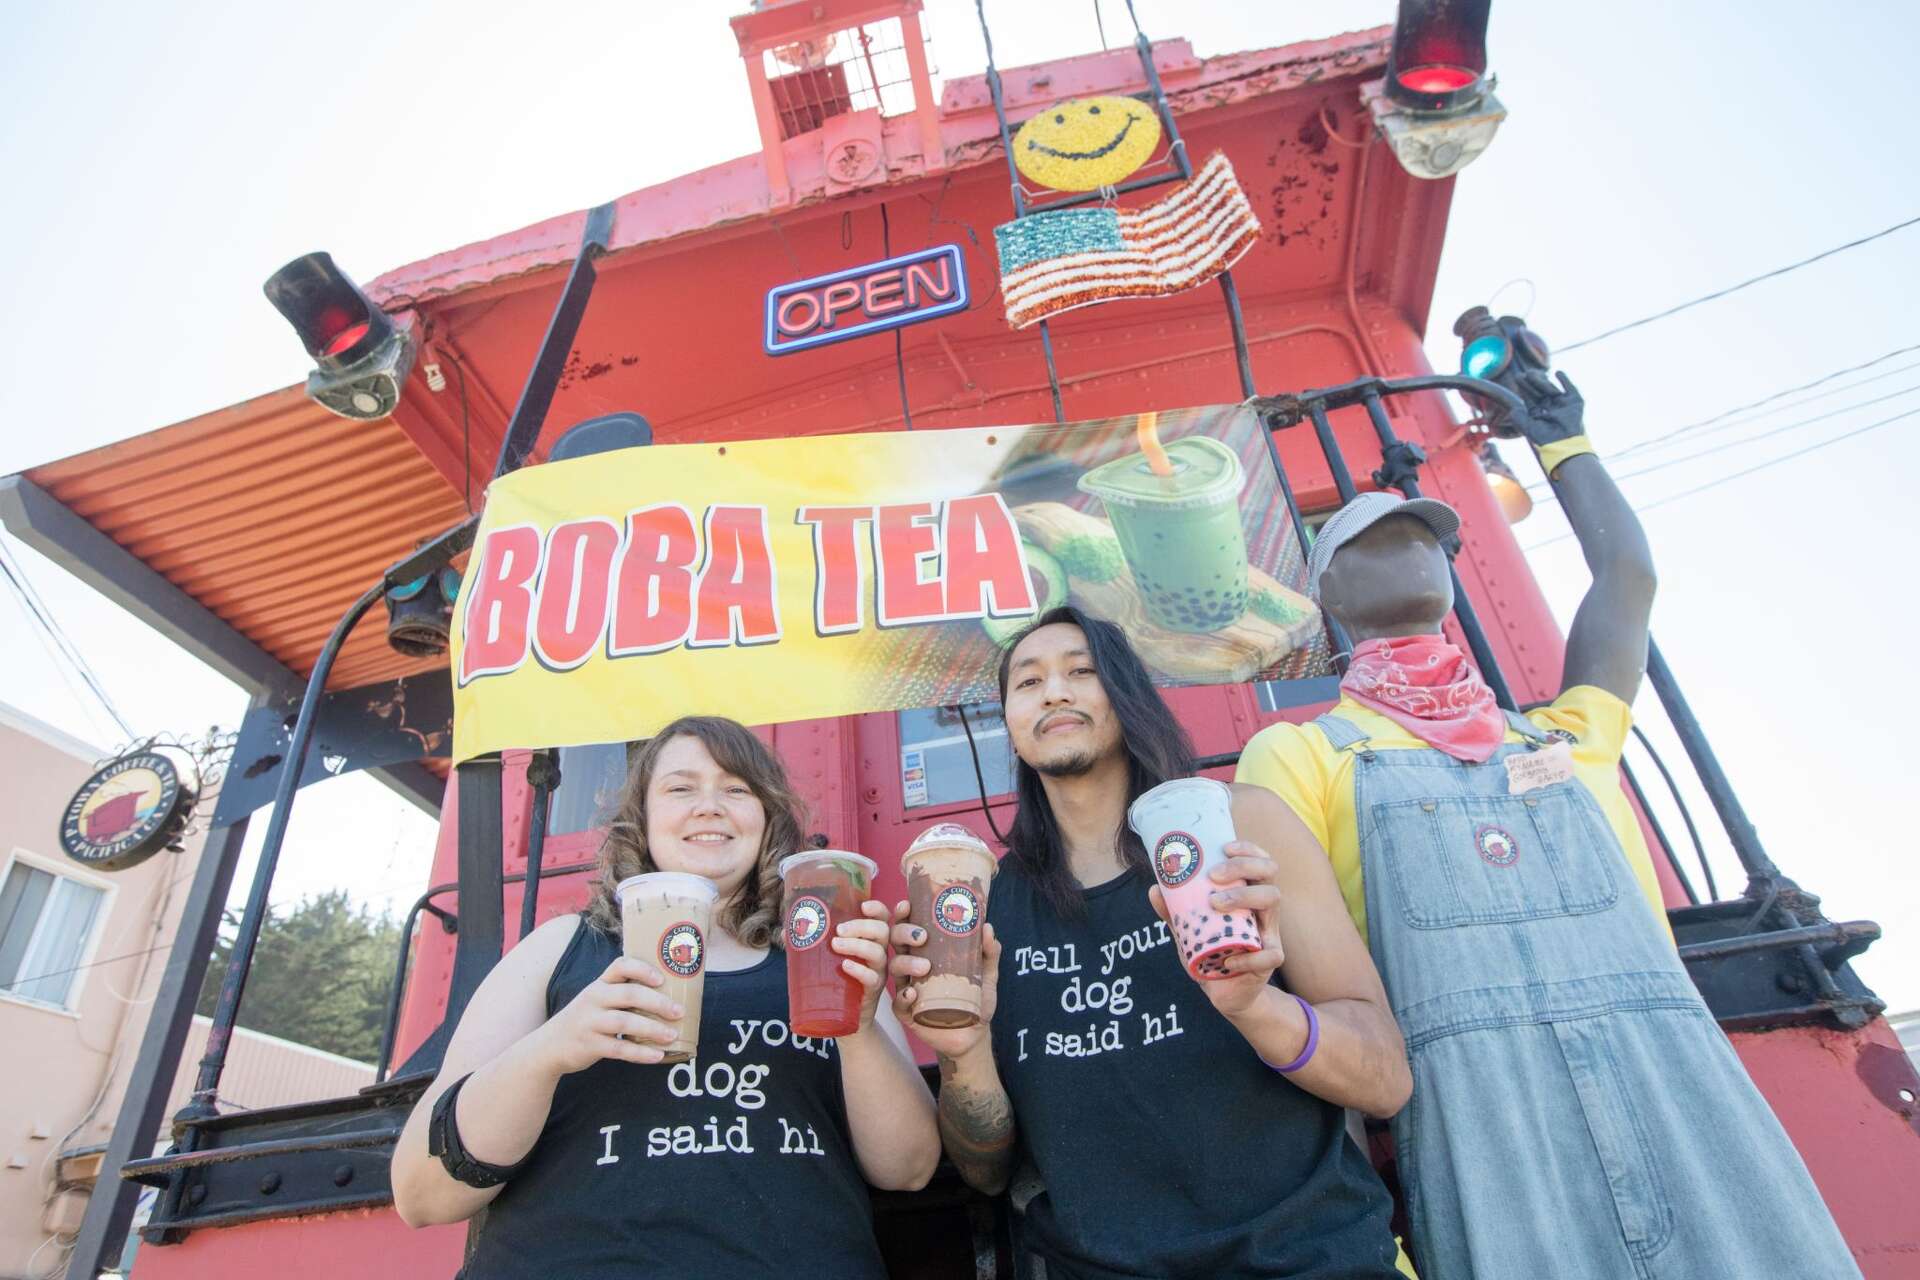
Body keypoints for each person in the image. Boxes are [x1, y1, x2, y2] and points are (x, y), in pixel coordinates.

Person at [1235, 378, 1860, 1279]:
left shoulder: (1565, 735)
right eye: (1368, 536)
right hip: (1486, 1127)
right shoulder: (1298, 756)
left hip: (1686, 1093)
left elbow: (1629, 580)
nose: (1406, 540)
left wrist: (1565, 445)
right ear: (1328, 592)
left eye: (1421, 533)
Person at [891, 605, 1413, 1280]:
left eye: (1082, 672)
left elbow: (1386, 1081)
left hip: (1312, 1258)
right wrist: (961, 1055)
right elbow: (986, 1171)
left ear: (1127, 694)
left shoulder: (1242, 826)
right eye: (1028, 682)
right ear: (1012, 728)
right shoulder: (991, 903)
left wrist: (1256, 1007)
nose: (1054, 691)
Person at [391, 715, 939, 1279]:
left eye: (736, 788)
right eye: (680, 788)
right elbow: (422, 1195)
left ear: (768, 818)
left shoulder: (827, 956)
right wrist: (549, 1051)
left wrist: (858, 1030)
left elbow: (911, 1170)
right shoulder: (562, 950)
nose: (709, 805)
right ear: (643, 819)